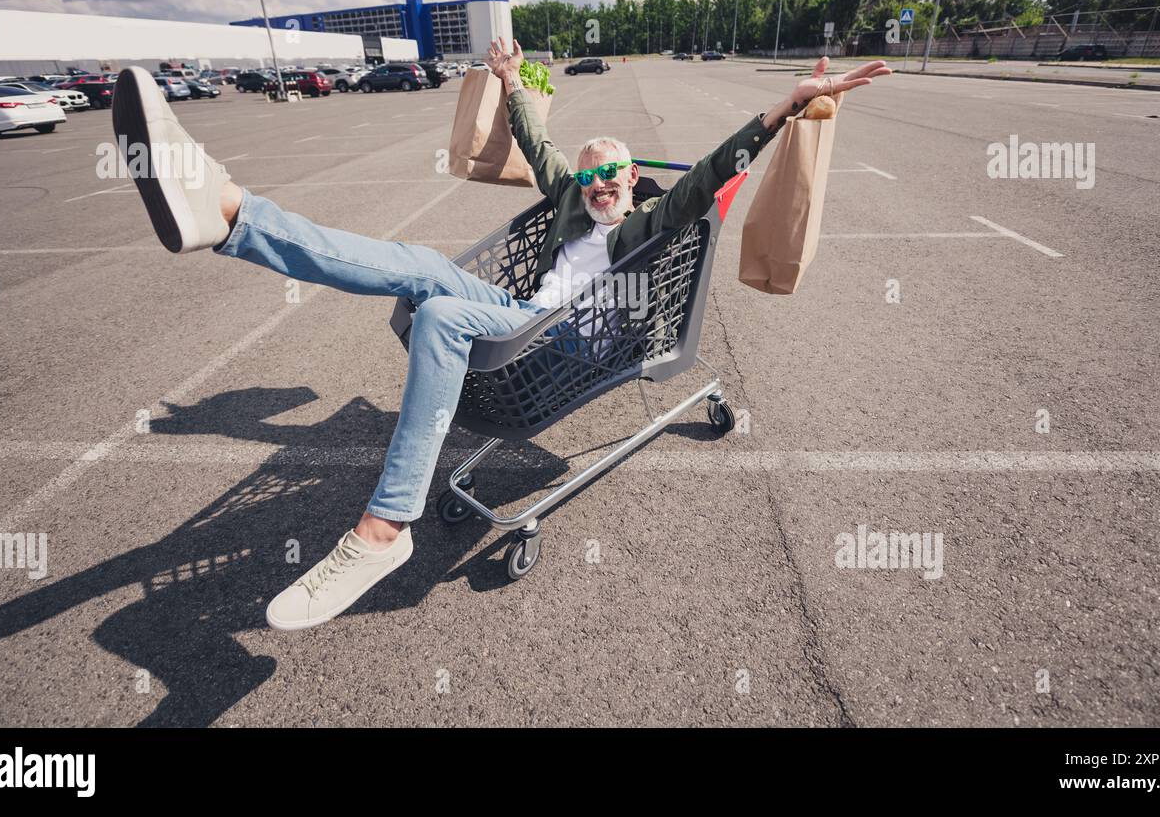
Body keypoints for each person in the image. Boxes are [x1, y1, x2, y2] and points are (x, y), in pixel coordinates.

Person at [108, 40, 890, 630]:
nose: (602, 183)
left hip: (573, 343)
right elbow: (537, 143)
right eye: (590, 176)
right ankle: (232, 213)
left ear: (635, 182)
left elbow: (711, 169)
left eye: (615, 173)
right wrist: (515, 82)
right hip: (523, 322)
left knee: (444, 315)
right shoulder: (568, 202)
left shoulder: (651, 224)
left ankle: (383, 528)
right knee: (421, 267)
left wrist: (786, 106)